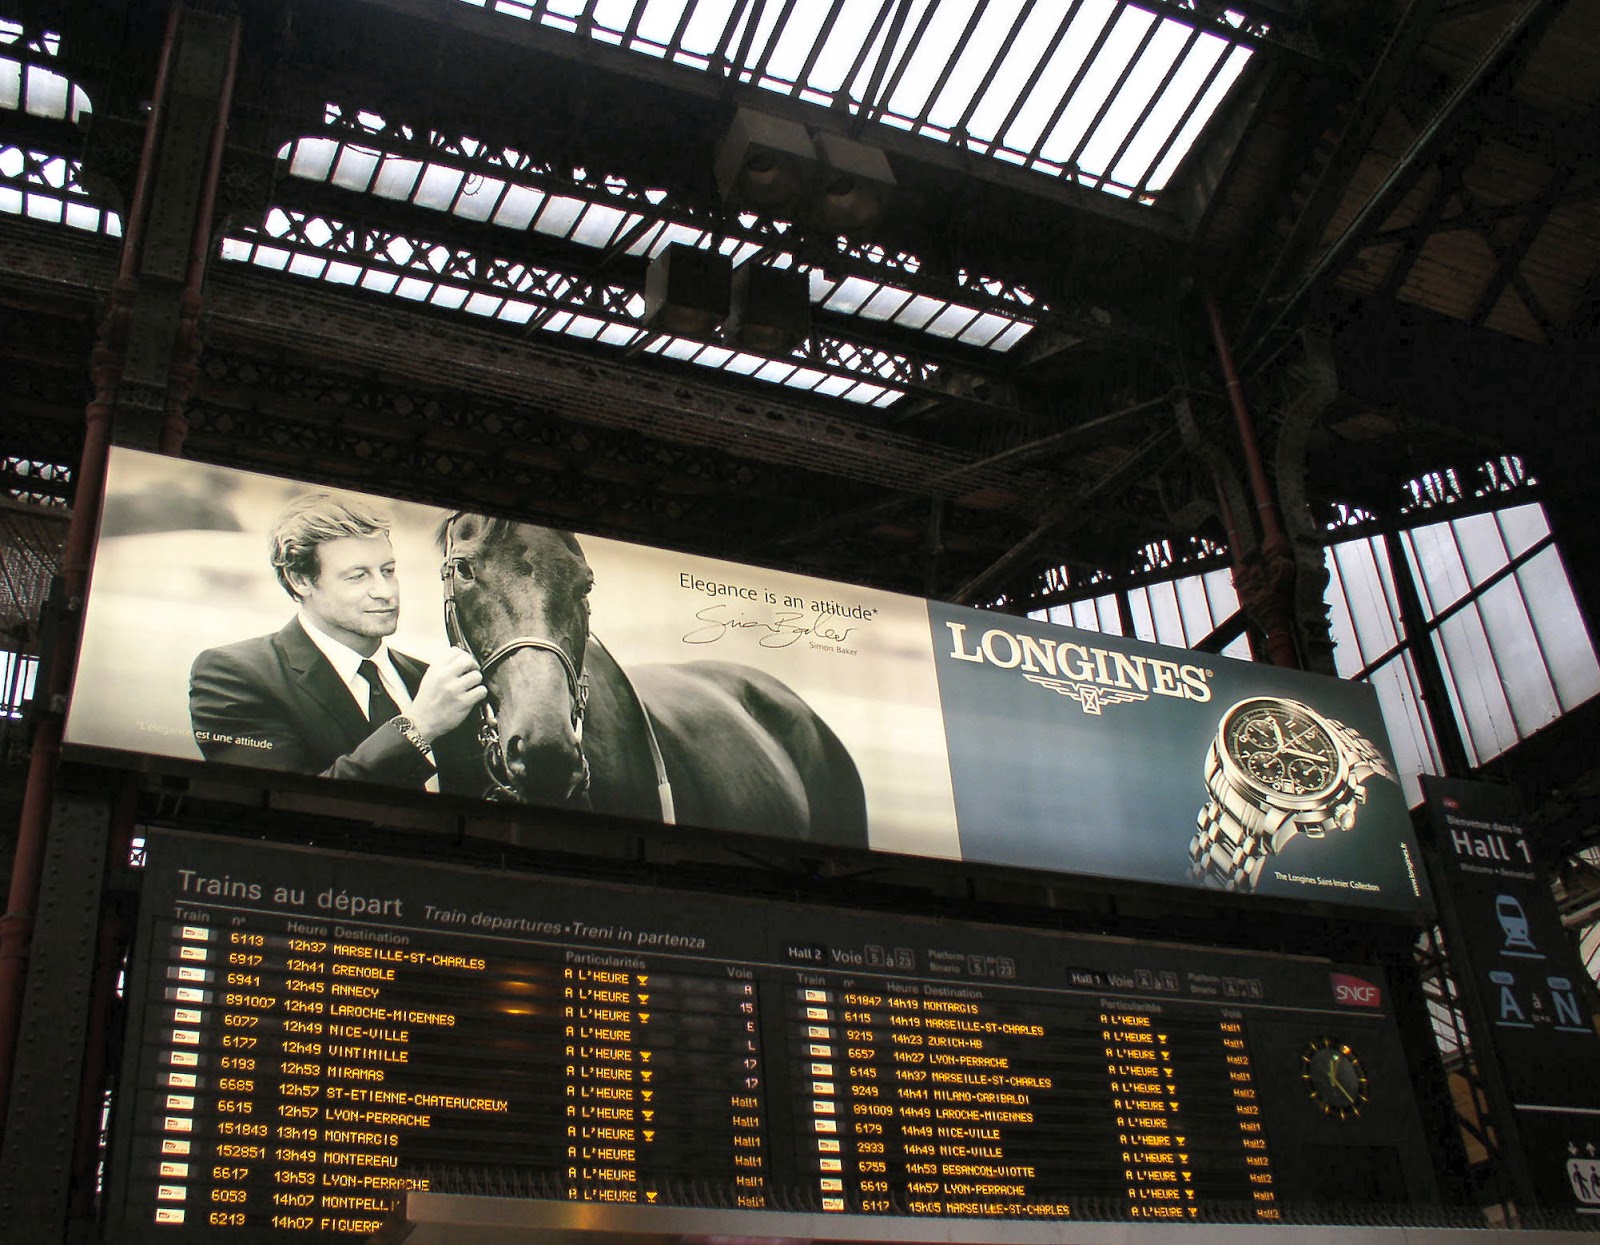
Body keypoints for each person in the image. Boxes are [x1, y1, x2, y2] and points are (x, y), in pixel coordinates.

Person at [189, 493, 486, 793]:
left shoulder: (433, 683)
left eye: (388, 571)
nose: (384, 591)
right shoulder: (233, 675)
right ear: (300, 580)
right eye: (357, 576)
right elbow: (287, 803)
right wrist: (419, 726)